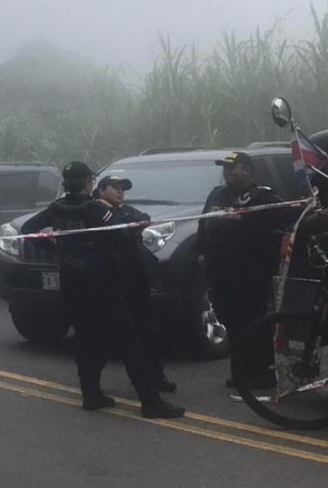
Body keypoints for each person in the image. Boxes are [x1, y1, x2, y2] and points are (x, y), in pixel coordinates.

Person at [23, 161, 184, 418]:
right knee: (129, 340)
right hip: (101, 283)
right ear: (89, 181)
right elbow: (121, 235)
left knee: (86, 338)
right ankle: (150, 401)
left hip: (72, 282)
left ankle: (91, 394)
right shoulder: (95, 208)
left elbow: (27, 230)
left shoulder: (57, 208)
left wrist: (57, 249)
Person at [197, 151, 285, 390]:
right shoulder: (217, 195)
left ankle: (264, 373)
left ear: (247, 170)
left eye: (231, 167)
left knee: (254, 323)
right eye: (224, 167)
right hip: (219, 272)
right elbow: (203, 225)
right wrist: (200, 253)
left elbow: (279, 230)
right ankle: (242, 371)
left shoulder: (263, 197)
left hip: (250, 274)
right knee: (231, 322)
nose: (226, 171)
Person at [95, 174, 177, 393]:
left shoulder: (126, 210)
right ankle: (93, 388)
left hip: (134, 278)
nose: (120, 192)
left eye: (123, 188)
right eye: (115, 187)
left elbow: (144, 219)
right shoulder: (94, 210)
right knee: (109, 334)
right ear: (101, 190)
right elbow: (116, 232)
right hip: (110, 280)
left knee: (145, 330)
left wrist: (124, 223)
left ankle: (156, 377)